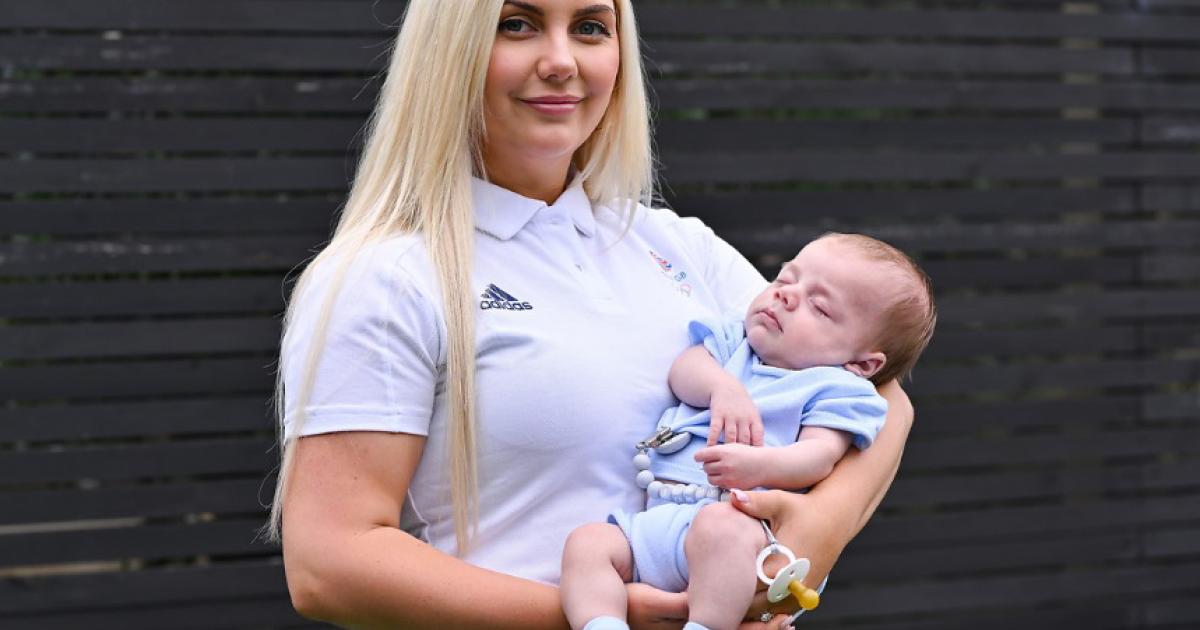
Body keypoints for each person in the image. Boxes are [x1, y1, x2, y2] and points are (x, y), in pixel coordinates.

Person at [265, 1, 917, 628]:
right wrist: (602, 615)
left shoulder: (677, 245)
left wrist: (813, 534)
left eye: (589, 27)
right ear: (449, 50)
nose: (560, 61)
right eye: (515, 24)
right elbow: (330, 565)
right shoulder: (388, 278)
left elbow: (881, 399)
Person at [560, 233, 936, 630]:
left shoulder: (838, 390)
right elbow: (684, 373)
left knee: (720, 529)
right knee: (588, 543)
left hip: (742, 533)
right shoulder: (734, 339)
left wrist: (761, 465)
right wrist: (721, 387)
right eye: (785, 279)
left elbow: (818, 456)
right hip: (661, 521)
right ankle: (601, 624)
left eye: (820, 307)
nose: (786, 296)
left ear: (862, 364)